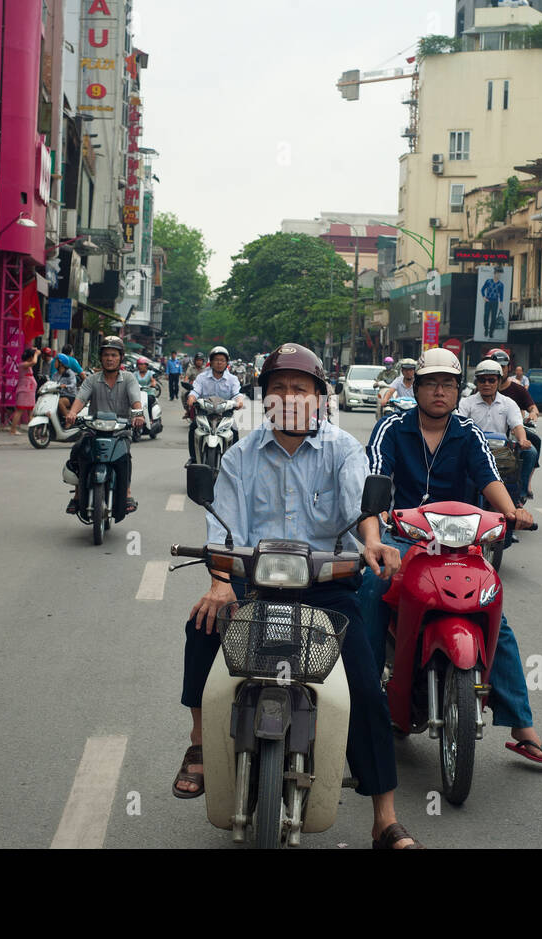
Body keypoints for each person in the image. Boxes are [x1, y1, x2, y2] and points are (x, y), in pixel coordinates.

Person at [173, 343, 423, 848]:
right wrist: (221, 582)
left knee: (364, 691)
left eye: (300, 388)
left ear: (319, 398)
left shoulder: (342, 450)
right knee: (201, 623)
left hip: (326, 589)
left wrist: (374, 543)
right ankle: (199, 743)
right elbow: (223, 524)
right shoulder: (241, 456)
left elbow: (362, 509)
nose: (289, 396)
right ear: (264, 400)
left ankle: (384, 816)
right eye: (279, 388)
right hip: (254, 584)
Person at [360, 348, 542, 766]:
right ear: (417, 387)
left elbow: (489, 478)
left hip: (457, 542)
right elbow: (375, 478)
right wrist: (376, 534)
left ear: (456, 389)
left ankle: (521, 722)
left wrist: (511, 511)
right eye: (431, 383)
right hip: (404, 538)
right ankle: (365, 693)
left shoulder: (468, 432)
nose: (440, 392)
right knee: (373, 587)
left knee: (493, 613)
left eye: (448, 384)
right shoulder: (391, 428)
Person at [64, 336, 144, 518]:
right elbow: (81, 398)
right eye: (106, 355)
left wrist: (138, 414)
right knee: (78, 450)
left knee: (125, 456)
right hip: (94, 429)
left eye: (114, 355)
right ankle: (78, 494)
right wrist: (72, 413)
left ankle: (127, 493)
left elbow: (135, 400)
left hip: (119, 430)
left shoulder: (129, 379)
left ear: (120, 358)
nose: (110, 358)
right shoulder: (92, 379)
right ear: (101, 358)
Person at [459, 360, 535, 501]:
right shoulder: (466, 403)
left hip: (501, 454)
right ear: (477, 382)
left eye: (491, 380)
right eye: (482, 380)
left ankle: (519, 498)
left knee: (527, 457)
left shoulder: (508, 403)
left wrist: (522, 440)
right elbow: (459, 426)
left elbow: (517, 426)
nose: (486, 384)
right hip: (472, 453)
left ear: (499, 381)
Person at [185, 346, 243, 464]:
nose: (219, 363)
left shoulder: (232, 379)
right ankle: (194, 458)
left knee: (235, 431)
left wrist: (239, 401)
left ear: (227, 362)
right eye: (216, 360)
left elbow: (237, 393)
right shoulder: (202, 377)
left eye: (222, 360)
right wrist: (192, 398)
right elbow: (195, 391)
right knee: (193, 428)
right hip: (205, 414)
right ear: (210, 362)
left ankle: (234, 461)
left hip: (224, 415)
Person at [10, 347, 37, 434]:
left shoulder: (27, 365)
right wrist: (36, 354)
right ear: (30, 358)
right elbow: (34, 362)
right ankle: (13, 430)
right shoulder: (23, 364)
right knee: (19, 410)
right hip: (25, 391)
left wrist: (33, 350)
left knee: (30, 413)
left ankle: (32, 431)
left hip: (30, 391)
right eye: (32, 356)